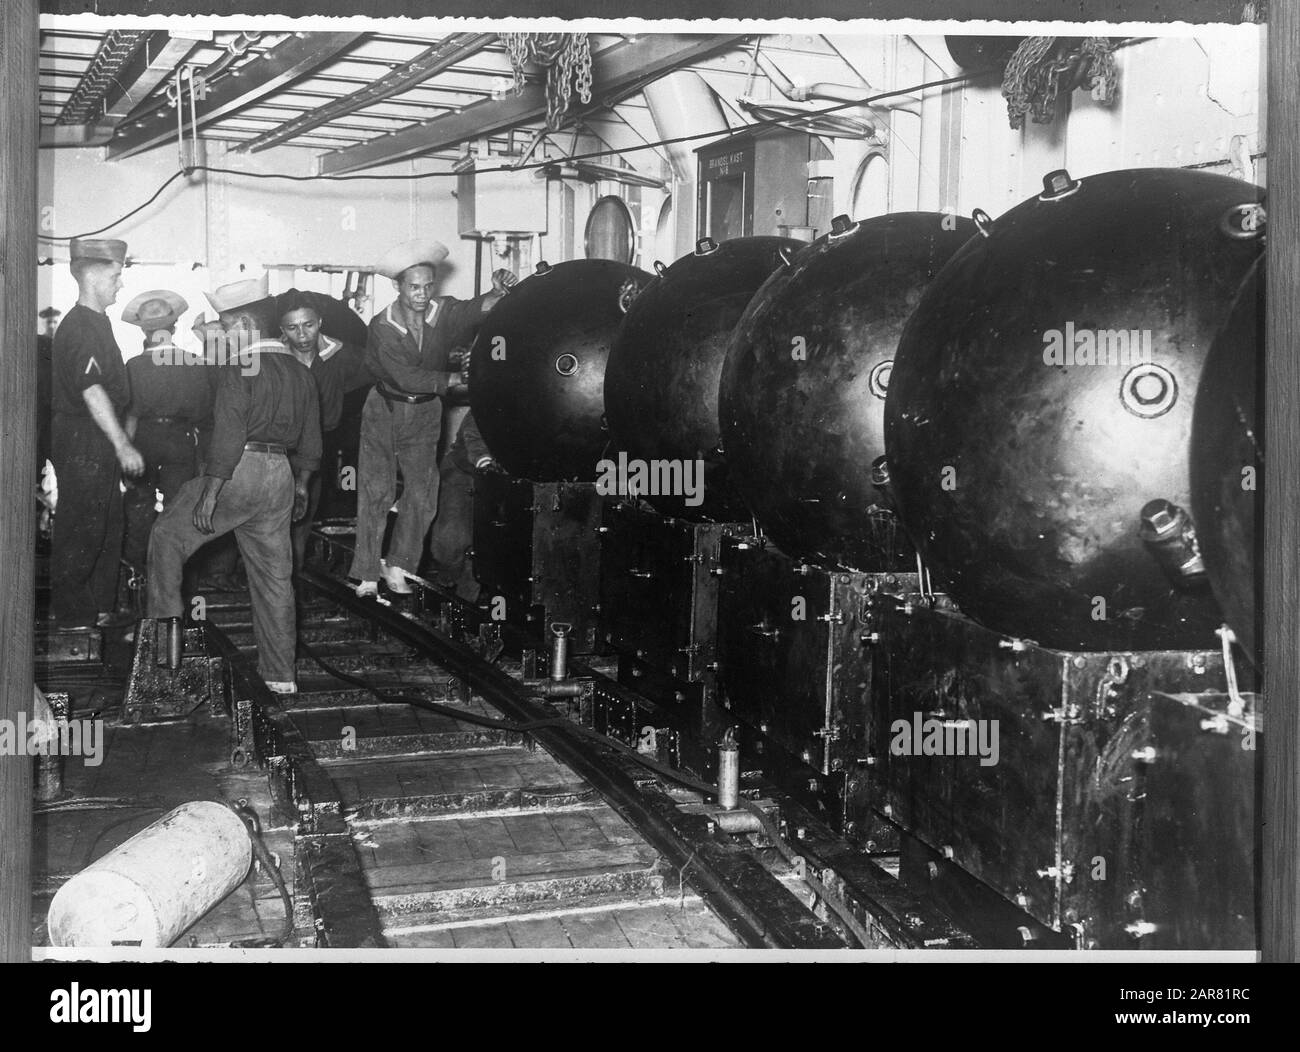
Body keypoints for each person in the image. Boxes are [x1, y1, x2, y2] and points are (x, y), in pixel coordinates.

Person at [146, 274, 320, 694]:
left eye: (225, 327)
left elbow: (229, 433)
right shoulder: (300, 370)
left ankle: (165, 658)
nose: (223, 334)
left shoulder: (240, 366)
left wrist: (210, 492)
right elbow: (313, 438)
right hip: (281, 474)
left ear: (244, 325)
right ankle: (280, 676)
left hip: (239, 469)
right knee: (275, 578)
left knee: (166, 537)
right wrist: (302, 485)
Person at [348, 239, 515, 597]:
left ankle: (399, 565)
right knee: (376, 491)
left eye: (427, 286)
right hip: (385, 410)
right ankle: (366, 573)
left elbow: (478, 308)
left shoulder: (444, 311)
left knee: (423, 492)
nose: (422, 295)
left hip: (425, 412)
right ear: (398, 286)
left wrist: (497, 291)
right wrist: (455, 378)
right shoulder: (382, 326)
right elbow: (405, 377)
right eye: (414, 288)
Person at [47, 238, 143, 629]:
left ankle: (98, 609)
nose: (120, 284)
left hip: (95, 435)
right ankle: (73, 618)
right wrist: (122, 444)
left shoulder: (97, 322)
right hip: (83, 435)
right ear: (92, 276)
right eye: (115, 276)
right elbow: (92, 390)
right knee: (82, 526)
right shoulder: (81, 326)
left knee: (106, 523)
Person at [275, 288, 374, 569]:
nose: (302, 335)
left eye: (308, 324)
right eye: (292, 328)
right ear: (282, 329)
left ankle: (294, 577)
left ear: (320, 321)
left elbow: (379, 371)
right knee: (272, 520)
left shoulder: (343, 354)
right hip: (278, 449)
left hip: (319, 449)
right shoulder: (271, 357)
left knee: (302, 518)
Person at [120, 290, 213, 583]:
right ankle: (176, 577)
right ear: (173, 328)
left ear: (143, 332)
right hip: (180, 440)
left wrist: (125, 455)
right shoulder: (194, 363)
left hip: (143, 440)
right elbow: (203, 413)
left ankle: (139, 575)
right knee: (178, 508)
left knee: (138, 507)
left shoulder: (134, 366)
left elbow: (130, 414)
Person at [427, 404, 497, 601]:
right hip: (462, 472)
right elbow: (472, 435)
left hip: (497, 481)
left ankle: (465, 606)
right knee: (449, 543)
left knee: (483, 549)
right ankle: (447, 576)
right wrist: (485, 462)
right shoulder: (490, 399)